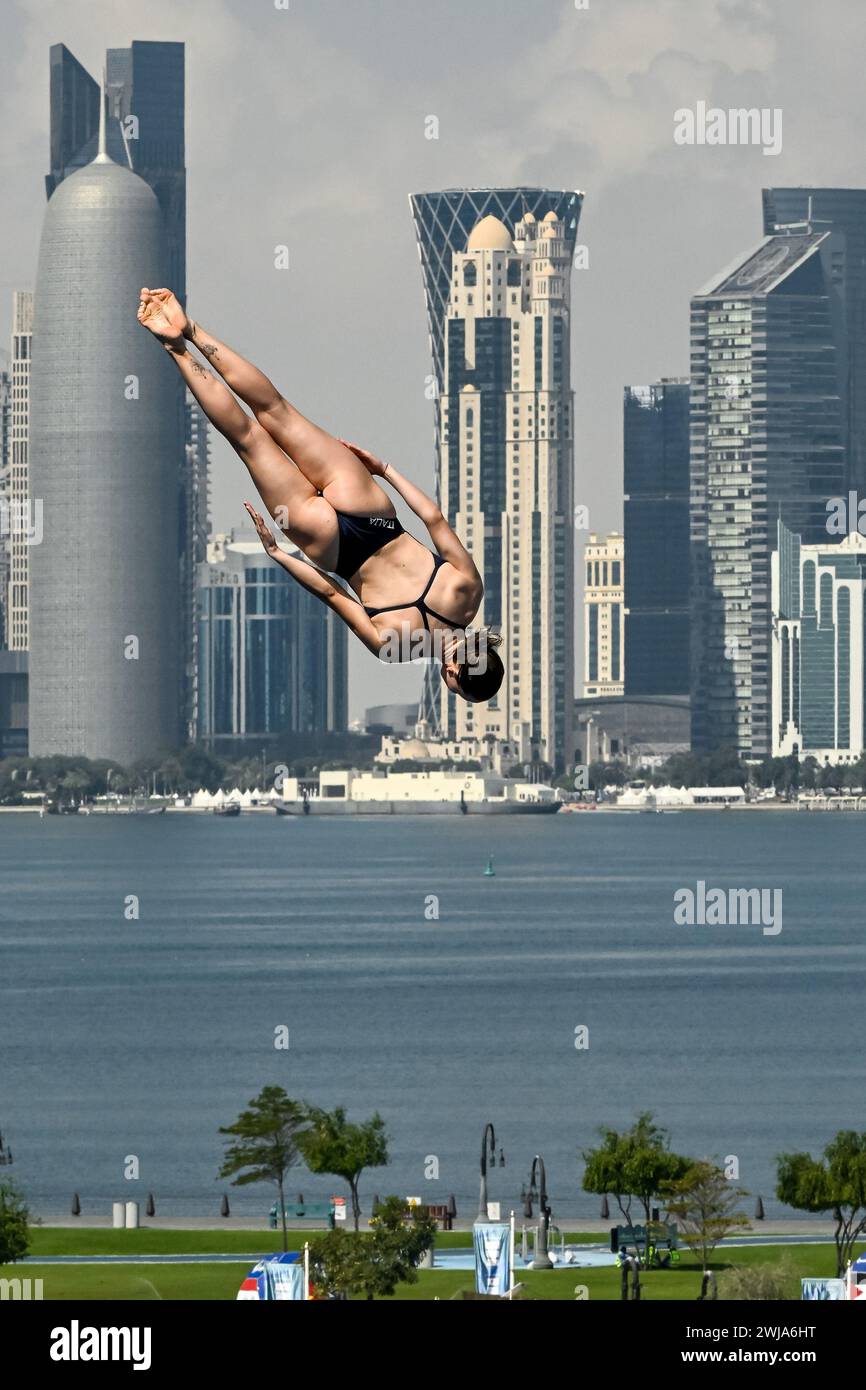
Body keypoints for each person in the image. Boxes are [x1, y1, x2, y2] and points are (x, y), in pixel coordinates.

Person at [137, 288, 504, 702]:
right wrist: (279, 554)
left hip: (374, 513)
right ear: (456, 671)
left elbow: (433, 517)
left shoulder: (468, 592)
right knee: (248, 439)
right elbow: (332, 591)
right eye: (457, 689)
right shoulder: (395, 647)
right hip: (333, 548)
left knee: (275, 409)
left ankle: (191, 330)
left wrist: (384, 469)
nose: (449, 687)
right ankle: (175, 348)